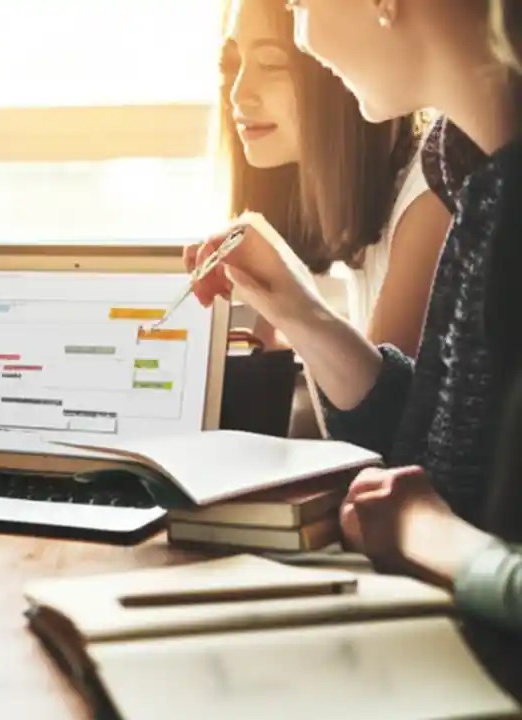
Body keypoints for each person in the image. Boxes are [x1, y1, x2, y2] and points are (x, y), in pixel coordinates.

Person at [188, 0, 522, 630]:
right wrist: (304, 316)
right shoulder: (476, 180)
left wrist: (428, 532)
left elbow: (433, 500)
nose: (304, 34)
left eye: (297, 5)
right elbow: (427, 450)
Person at [220, 0, 448, 357]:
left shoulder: (431, 194)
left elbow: (381, 404)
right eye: (234, 64)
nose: (238, 93)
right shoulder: (365, 207)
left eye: (271, 63)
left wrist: (301, 317)